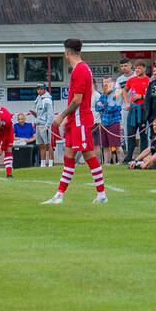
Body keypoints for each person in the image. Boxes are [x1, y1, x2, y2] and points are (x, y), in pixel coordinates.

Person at [42, 39, 108, 205]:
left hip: (80, 120)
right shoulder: (82, 68)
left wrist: (61, 116)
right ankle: (59, 195)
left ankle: (102, 194)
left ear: (66, 52)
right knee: (69, 155)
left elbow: (77, 100)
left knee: (88, 154)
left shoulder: (80, 70)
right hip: (75, 120)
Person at [124, 61, 151, 157]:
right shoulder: (131, 80)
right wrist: (127, 103)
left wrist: (142, 96)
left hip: (144, 110)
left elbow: (151, 95)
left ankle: (143, 157)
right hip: (133, 110)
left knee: (143, 135)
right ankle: (129, 157)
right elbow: (125, 90)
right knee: (131, 133)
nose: (137, 70)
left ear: (144, 69)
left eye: (139, 68)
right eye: (136, 68)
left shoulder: (149, 80)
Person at [94, 78, 122, 165]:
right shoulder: (103, 94)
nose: (105, 84)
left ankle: (121, 163)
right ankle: (107, 163)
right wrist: (105, 106)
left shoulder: (117, 93)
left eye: (107, 82)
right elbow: (97, 107)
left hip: (114, 122)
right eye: (104, 83)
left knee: (117, 145)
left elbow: (115, 107)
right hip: (104, 123)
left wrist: (104, 105)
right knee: (105, 145)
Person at [33, 84, 55, 167]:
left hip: (44, 124)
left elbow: (50, 114)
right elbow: (39, 113)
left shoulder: (47, 100)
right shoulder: (38, 98)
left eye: (41, 89)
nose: (39, 91)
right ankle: (42, 164)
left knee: (48, 144)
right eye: (38, 89)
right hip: (38, 124)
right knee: (41, 145)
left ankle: (50, 163)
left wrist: (48, 125)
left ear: (45, 90)